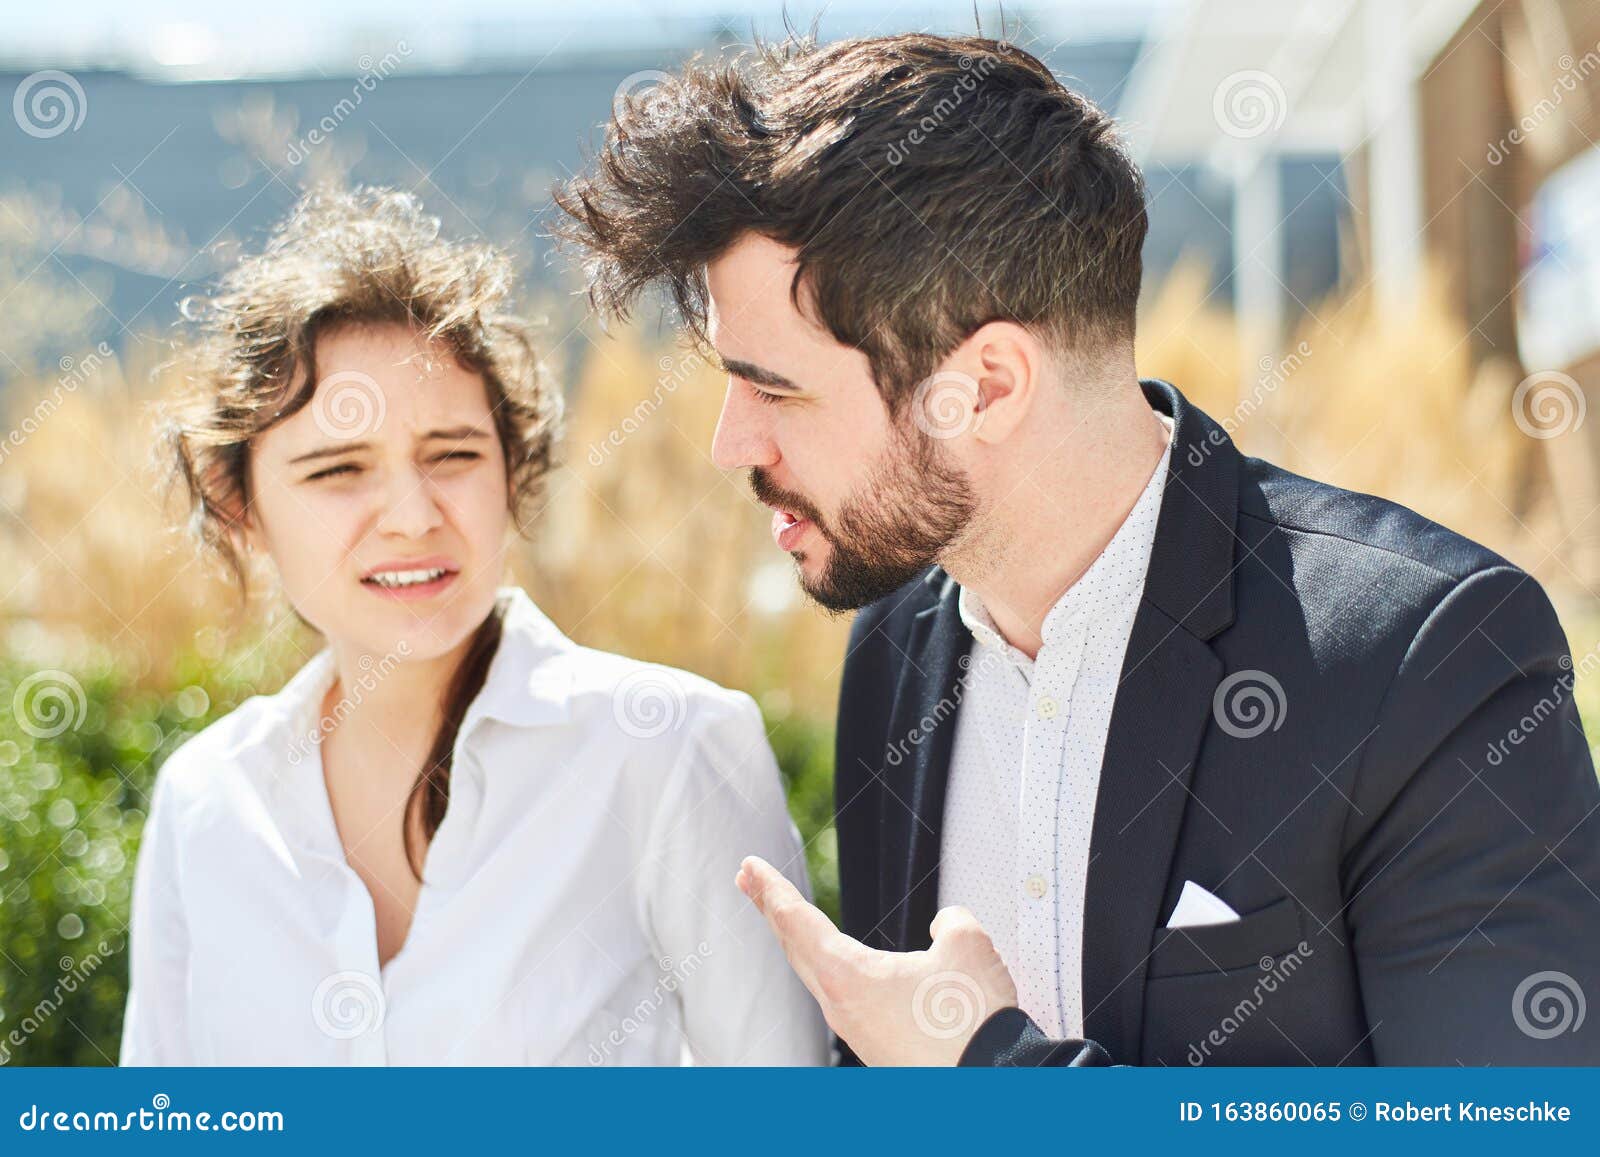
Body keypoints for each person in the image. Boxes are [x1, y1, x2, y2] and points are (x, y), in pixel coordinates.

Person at [555, 33, 1600, 1065]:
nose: (729, 441)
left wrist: (993, 1071)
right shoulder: (894, 652)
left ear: (991, 384)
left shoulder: (1425, 657)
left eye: (776, 388)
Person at [120, 186, 828, 1066]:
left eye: (452, 454)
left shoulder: (667, 750)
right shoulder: (206, 803)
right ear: (242, 511)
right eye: (340, 470)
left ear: (510, 468)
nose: (413, 516)